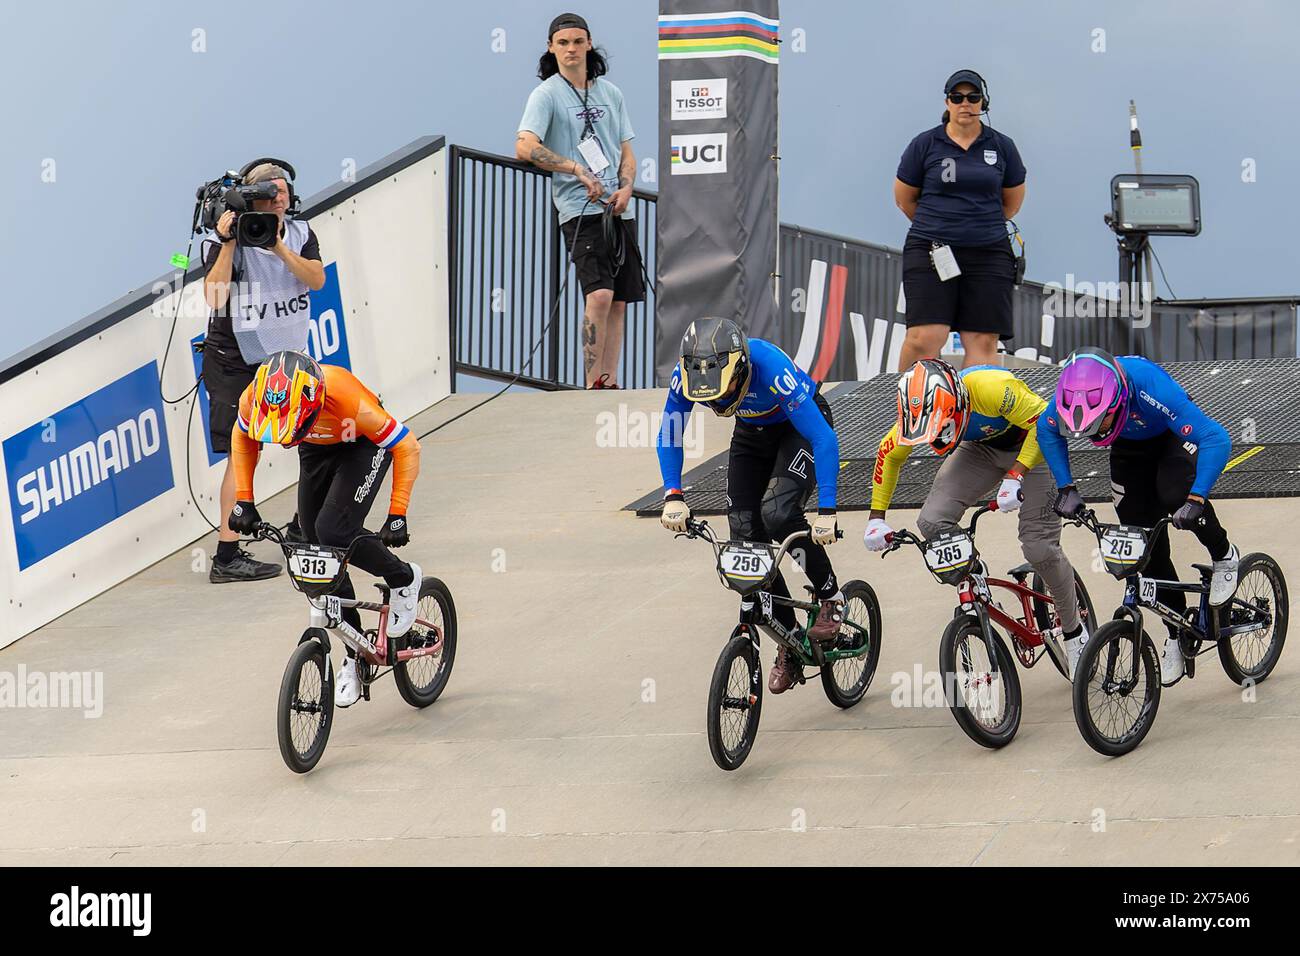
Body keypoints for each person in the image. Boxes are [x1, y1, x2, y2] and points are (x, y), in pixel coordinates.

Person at [864, 359, 1088, 675]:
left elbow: (1048, 423)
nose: (934, 439)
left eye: (940, 427)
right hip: (978, 450)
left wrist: (1017, 474)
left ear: (957, 405)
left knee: (1039, 547)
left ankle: (1075, 632)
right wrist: (876, 517)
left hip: (1033, 447)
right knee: (932, 522)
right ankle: (975, 572)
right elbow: (888, 454)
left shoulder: (992, 389)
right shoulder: (918, 412)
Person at [225, 351, 423, 708]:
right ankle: (354, 651)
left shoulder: (350, 400)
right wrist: (244, 499)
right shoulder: (253, 396)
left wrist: (398, 514)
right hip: (315, 447)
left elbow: (407, 446)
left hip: (361, 447)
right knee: (311, 544)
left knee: (333, 529)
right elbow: (243, 439)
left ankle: (402, 579)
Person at [656, 317, 842, 694]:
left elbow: (823, 439)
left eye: (724, 394)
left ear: (740, 368)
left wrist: (827, 510)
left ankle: (830, 596)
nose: (718, 403)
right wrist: (673, 494)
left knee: (777, 514)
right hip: (752, 431)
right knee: (744, 532)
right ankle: (790, 640)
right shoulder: (687, 371)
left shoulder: (769, 365)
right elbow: (671, 431)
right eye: (710, 398)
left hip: (799, 427)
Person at [1038, 348, 1237, 684]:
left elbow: (1216, 438)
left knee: (1176, 495)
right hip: (1131, 449)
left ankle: (1224, 555)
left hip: (1169, 438)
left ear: (1116, 402)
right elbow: (1048, 431)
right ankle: (1176, 633)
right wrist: (1066, 487)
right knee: (1146, 545)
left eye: (1100, 423)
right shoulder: (1068, 395)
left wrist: (1196, 498)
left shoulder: (1150, 389)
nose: (1094, 433)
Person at [202, 160, 325, 582]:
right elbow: (215, 298)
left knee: (317, 440)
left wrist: (277, 247)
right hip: (237, 359)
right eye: (268, 193)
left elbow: (317, 280)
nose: (278, 198)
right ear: (251, 199)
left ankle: (305, 527)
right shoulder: (227, 241)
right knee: (243, 454)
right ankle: (227, 555)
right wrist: (229, 242)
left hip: (288, 357)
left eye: (283, 191)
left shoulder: (301, 233)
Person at [516, 12, 646, 389]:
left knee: (620, 299)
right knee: (600, 294)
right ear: (551, 48)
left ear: (589, 43)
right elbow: (525, 145)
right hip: (579, 208)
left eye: (577, 41)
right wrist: (574, 168)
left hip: (618, 209)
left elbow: (627, 151)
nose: (571, 49)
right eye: (563, 43)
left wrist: (626, 187)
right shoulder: (546, 95)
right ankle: (592, 382)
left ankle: (610, 379)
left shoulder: (610, 92)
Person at [894, 69, 1025, 370]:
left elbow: (1013, 201)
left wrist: (978, 224)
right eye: (957, 97)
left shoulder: (1002, 147)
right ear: (947, 102)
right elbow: (904, 199)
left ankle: (977, 414)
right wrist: (942, 225)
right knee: (926, 336)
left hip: (988, 250)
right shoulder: (925, 144)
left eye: (972, 97)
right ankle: (911, 407)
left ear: (983, 102)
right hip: (932, 248)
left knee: (982, 340)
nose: (965, 103)